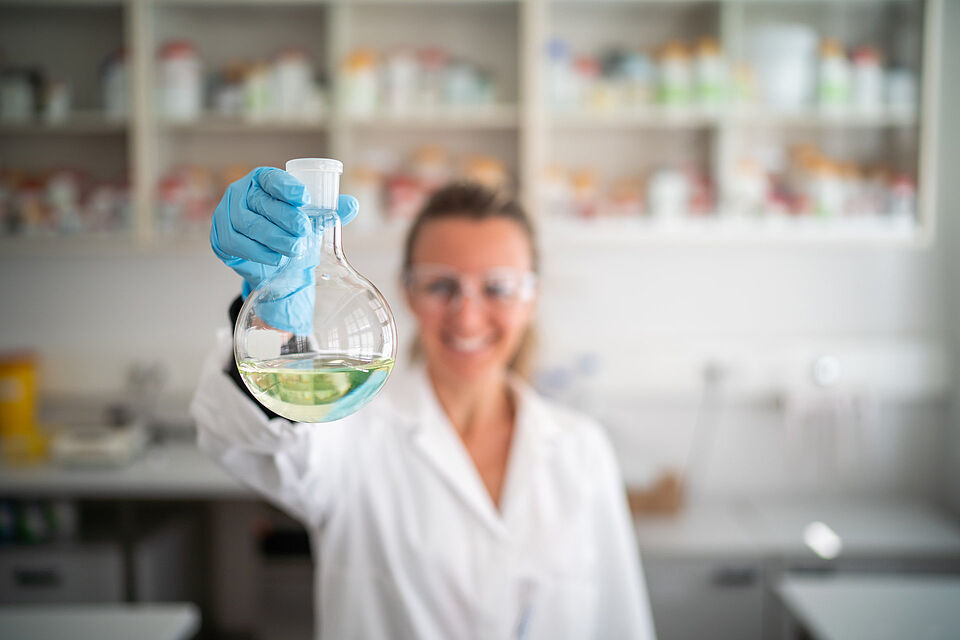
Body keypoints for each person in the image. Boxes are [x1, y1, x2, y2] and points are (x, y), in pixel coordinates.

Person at [191, 167, 656, 639]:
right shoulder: (352, 428)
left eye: (497, 287)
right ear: (408, 291)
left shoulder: (582, 449)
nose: (468, 315)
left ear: (531, 298)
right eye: (441, 285)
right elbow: (258, 434)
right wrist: (269, 321)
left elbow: (621, 619)